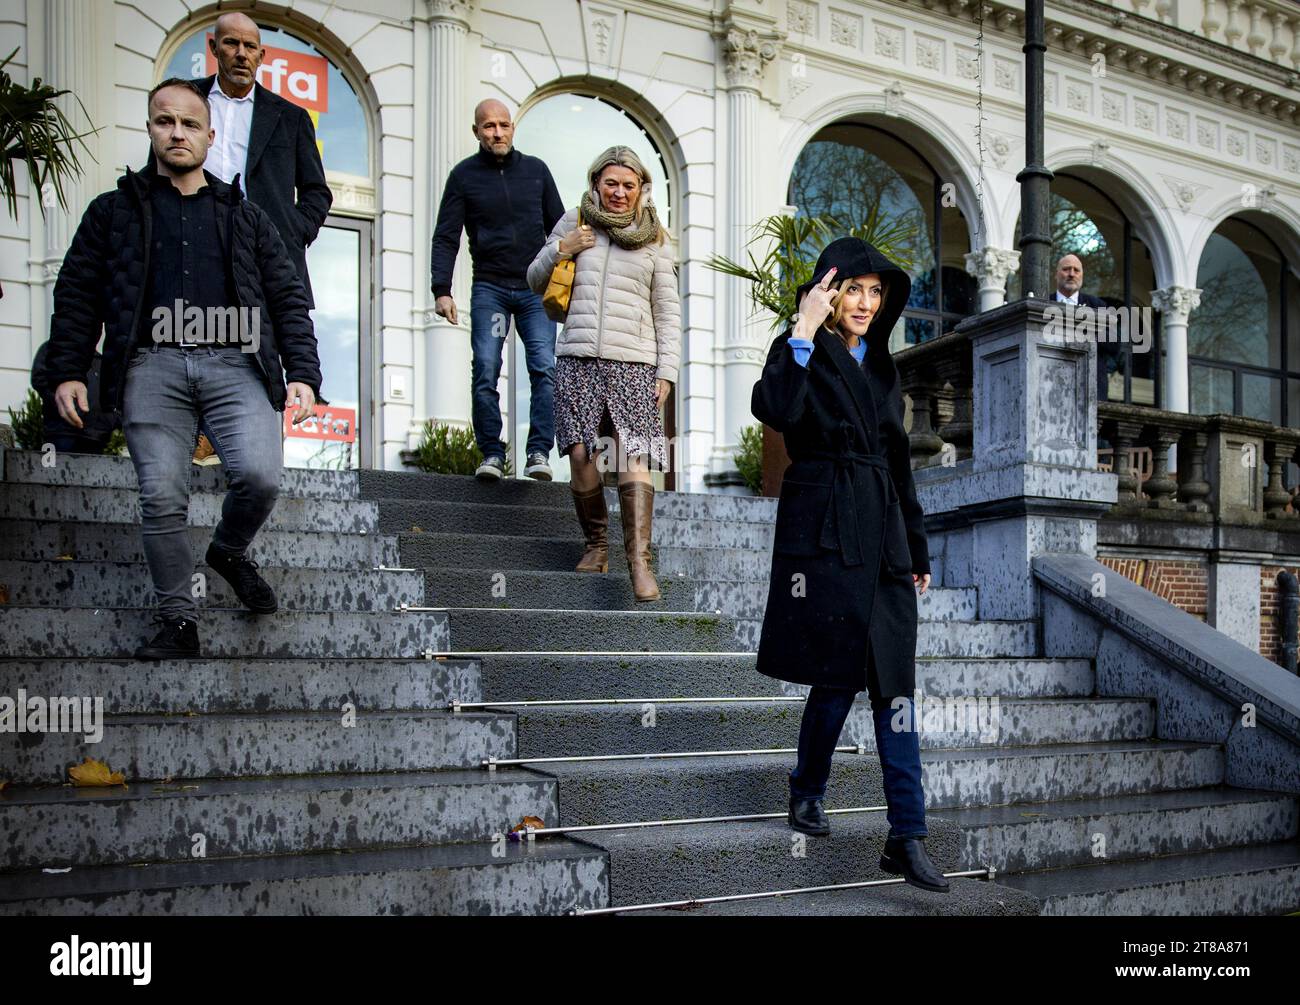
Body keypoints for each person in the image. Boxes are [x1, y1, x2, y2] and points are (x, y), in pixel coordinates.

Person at [42, 78, 321, 660]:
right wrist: (68, 368)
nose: (177, 132)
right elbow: (78, 292)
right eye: (164, 122)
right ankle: (178, 621)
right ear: (150, 129)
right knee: (162, 497)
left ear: (210, 135)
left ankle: (228, 549)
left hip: (234, 363)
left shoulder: (244, 216)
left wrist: (303, 372)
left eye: (190, 124)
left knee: (261, 477)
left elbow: (287, 296)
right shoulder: (113, 211)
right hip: (151, 366)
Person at [751, 236, 949, 894]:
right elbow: (775, 409)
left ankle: (908, 833)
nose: (865, 302)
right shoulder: (801, 345)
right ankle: (806, 787)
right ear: (830, 292)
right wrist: (804, 325)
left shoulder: (885, 369)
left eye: (876, 292)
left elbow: (898, 464)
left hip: (885, 535)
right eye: (854, 289)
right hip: (830, 530)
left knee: (896, 688)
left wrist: (916, 547)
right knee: (837, 679)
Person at [527, 146, 680, 602]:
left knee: (634, 456)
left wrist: (666, 370)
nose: (618, 193)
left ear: (641, 189)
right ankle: (596, 545)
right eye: (610, 184)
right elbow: (534, 279)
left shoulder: (655, 238)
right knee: (580, 456)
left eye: (628, 185)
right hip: (577, 357)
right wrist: (561, 249)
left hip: (634, 361)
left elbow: (667, 310)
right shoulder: (574, 221)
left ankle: (639, 562)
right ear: (596, 183)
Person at [431, 99, 565, 481]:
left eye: (504, 125)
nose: (497, 132)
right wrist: (442, 289)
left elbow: (559, 229)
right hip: (489, 288)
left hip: (534, 291)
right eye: (489, 126)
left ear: (513, 128)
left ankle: (539, 451)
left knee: (544, 368)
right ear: (476, 132)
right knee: (486, 369)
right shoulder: (463, 177)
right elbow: (446, 236)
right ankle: (491, 453)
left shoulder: (536, 171)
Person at [184, 10, 332, 306]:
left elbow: (317, 192)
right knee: (192, 340)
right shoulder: (186, 100)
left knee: (259, 349)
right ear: (213, 48)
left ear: (261, 55)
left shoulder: (291, 117)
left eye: (250, 47)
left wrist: (293, 231)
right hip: (191, 245)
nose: (241, 54)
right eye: (231, 43)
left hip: (265, 259)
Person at [1053, 253, 1116, 401]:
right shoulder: (1044, 302)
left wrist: (1082, 327)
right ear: (1056, 274)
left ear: (1082, 275)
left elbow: (1114, 345)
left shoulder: (1097, 305)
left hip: (1090, 390)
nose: (1071, 274)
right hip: (1051, 384)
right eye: (1066, 269)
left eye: (1076, 270)